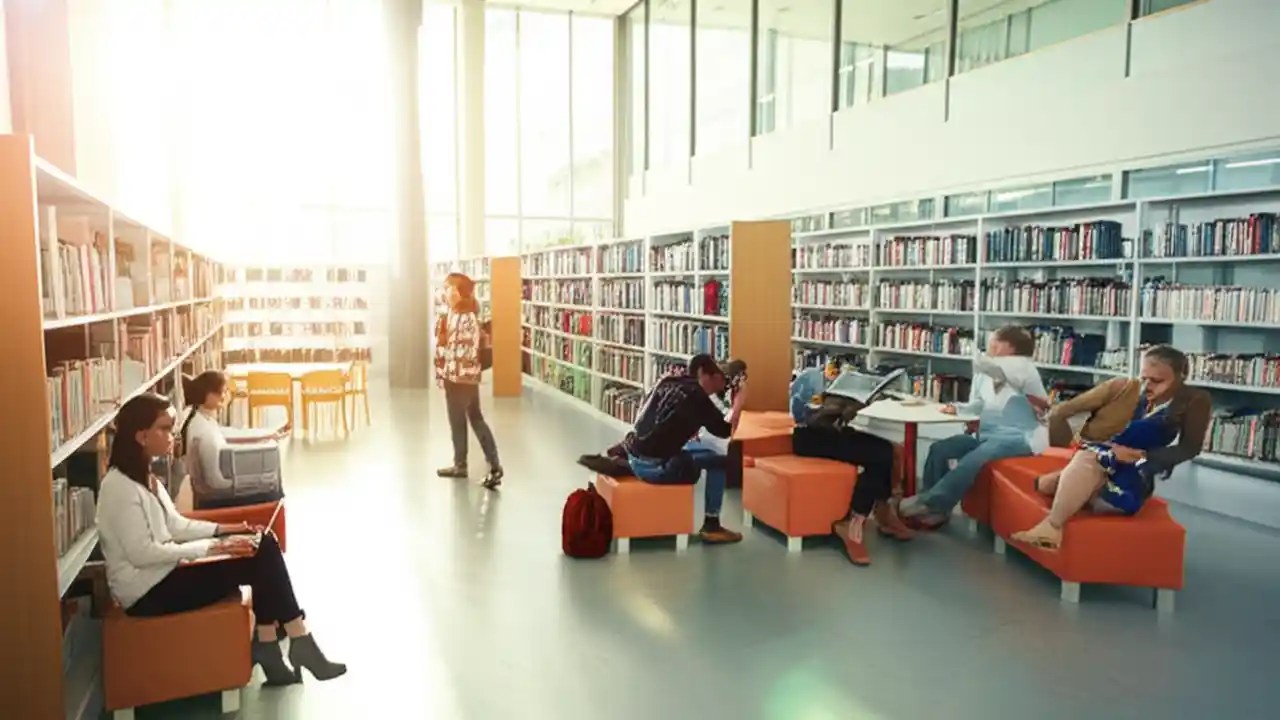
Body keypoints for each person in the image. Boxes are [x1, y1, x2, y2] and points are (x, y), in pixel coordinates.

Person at [96, 393, 346, 685]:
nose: (172, 436)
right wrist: (214, 547)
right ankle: (290, 642)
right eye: (164, 429)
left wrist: (225, 530)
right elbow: (143, 554)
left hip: (164, 576)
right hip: (148, 594)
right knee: (260, 552)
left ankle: (277, 643)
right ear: (141, 436)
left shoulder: (144, 476)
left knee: (259, 541)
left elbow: (175, 525)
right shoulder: (119, 488)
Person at [1011, 345, 1212, 549]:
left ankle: (1052, 527)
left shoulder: (1195, 400)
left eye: (1157, 381)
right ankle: (1065, 489)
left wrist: (1143, 457)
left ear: (1181, 375)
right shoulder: (1135, 395)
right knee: (1067, 472)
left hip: (1131, 475)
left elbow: (1189, 448)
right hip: (1108, 459)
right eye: (1145, 378)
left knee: (1085, 461)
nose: (1148, 386)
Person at [898, 326, 1048, 527]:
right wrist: (957, 408)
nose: (990, 346)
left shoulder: (1025, 369)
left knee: (974, 457)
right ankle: (937, 511)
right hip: (987, 436)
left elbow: (1002, 371)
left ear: (1011, 349)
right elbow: (978, 405)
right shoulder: (985, 374)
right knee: (940, 449)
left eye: (996, 342)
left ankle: (926, 502)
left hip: (1022, 438)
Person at [788, 366, 913, 566]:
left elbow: (838, 421)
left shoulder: (836, 380)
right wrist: (834, 408)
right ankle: (855, 520)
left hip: (832, 434)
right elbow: (807, 418)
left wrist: (854, 407)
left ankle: (882, 510)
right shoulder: (810, 378)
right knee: (880, 454)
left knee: (891, 450)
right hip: (808, 438)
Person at [623, 354, 747, 544]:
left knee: (697, 451)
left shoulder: (669, 380)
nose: (721, 386)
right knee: (721, 461)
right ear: (704, 375)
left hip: (633, 452)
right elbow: (725, 432)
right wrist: (738, 404)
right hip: (654, 467)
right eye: (719, 379)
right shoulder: (698, 397)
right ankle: (712, 525)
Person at [178, 370, 287, 509]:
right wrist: (251, 482)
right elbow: (216, 483)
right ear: (209, 394)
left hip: (212, 493)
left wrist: (267, 435)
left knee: (270, 479)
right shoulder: (204, 432)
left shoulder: (200, 419)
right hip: (214, 499)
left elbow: (229, 435)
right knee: (273, 489)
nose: (225, 396)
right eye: (222, 392)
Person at [435, 272, 503, 489]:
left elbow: (458, 351)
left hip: (459, 378)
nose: (444, 292)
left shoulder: (465, 318)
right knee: (474, 418)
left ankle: (472, 464)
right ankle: (480, 464)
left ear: (457, 292)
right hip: (463, 377)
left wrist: (445, 373)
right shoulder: (458, 314)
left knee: (463, 420)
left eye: (447, 289)